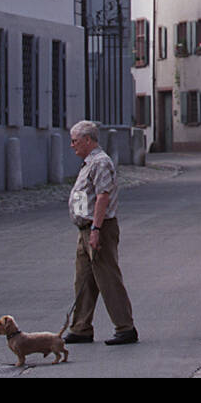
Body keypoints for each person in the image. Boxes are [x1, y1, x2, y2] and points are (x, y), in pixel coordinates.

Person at [66, 120, 137, 345]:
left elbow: (102, 196)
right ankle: (81, 328)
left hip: (99, 227)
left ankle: (125, 327)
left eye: (75, 141)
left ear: (88, 140)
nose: (72, 145)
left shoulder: (100, 162)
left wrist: (96, 229)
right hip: (85, 228)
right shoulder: (88, 163)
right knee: (84, 279)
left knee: (108, 278)